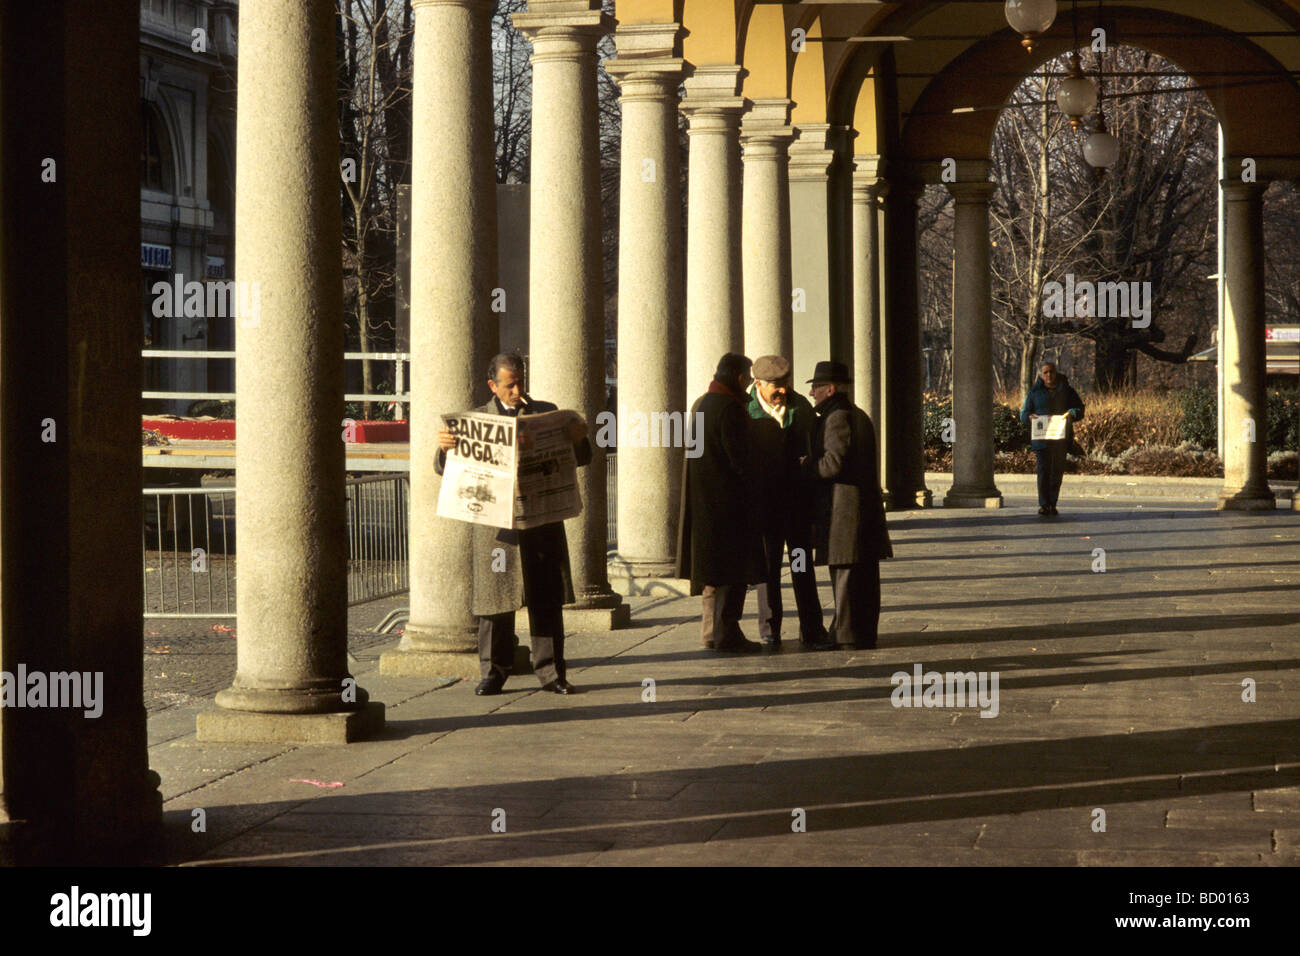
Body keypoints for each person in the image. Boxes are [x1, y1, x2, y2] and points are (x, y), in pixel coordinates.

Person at [437, 352, 591, 696]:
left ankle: (552, 673)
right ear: (493, 385)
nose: (517, 389)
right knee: (495, 604)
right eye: (510, 384)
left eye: (521, 381)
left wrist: (579, 437)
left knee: (546, 600)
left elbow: (581, 459)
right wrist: (445, 449)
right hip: (498, 533)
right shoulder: (476, 418)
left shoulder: (546, 413)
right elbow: (447, 471)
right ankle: (493, 672)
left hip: (542, 524)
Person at [676, 353, 765, 653]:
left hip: (703, 503)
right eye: (749, 378)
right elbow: (741, 460)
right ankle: (727, 633)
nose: (751, 384)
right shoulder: (730, 409)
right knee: (731, 572)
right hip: (729, 505)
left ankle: (710, 632)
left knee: (713, 573)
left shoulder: (701, 404)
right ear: (739, 378)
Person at [801, 360, 892, 650]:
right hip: (861, 511)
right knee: (863, 577)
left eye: (816, 387)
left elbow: (832, 464)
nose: (812, 393)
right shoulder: (859, 414)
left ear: (830, 388)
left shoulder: (836, 416)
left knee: (845, 577)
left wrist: (806, 464)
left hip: (844, 512)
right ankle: (862, 633)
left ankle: (845, 634)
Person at [745, 355, 832, 650]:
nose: (782, 390)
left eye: (784, 384)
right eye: (775, 385)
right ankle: (770, 630)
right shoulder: (746, 411)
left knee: (802, 566)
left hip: (797, 506)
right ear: (758, 384)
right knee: (767, 571)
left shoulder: (802, 409)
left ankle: (812, 628)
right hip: (764, 507)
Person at [1019, 361, 1085, 516]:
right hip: (1041, 440)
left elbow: (1080, 409)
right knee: (1043, 471)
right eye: (1045, 372)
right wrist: (1029, 416)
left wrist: (1072, 413)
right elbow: (1023, 414)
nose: (1049, 375)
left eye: (1051, 372)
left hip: (1060, 439)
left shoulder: (1067, 391)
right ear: (1041, 375)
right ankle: (1043, 504)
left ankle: (1052, 504)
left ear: (1056, 373)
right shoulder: (1034, 392)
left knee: (1057, 472)